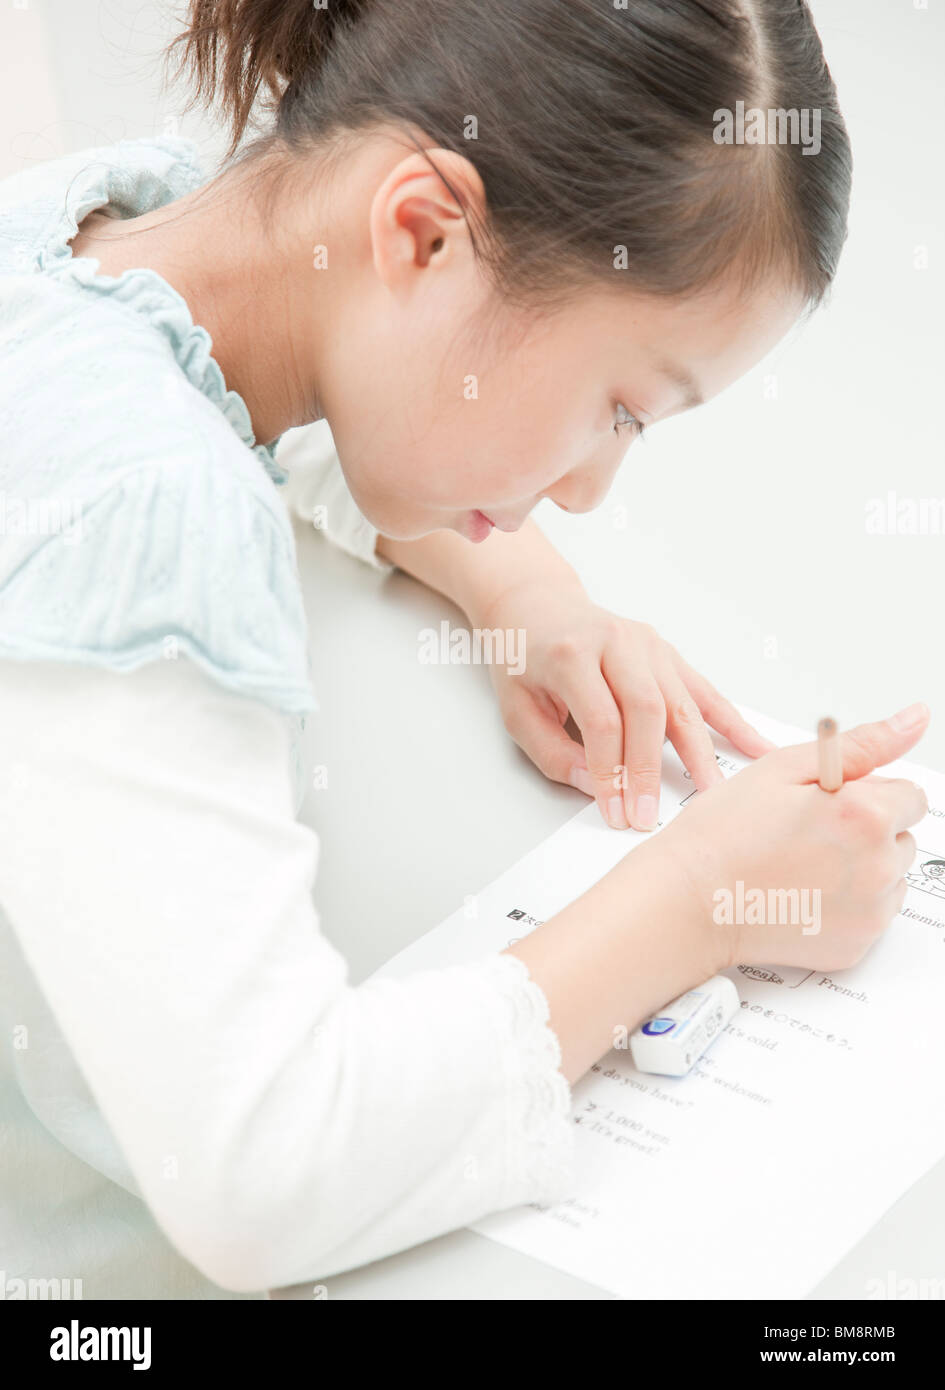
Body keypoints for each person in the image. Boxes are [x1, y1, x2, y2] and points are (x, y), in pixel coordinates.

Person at [0, 0, 929, 1298]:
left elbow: (271, 403)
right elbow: (262, 1173)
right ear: (423, 230)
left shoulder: (88, 231)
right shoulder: (143, 528)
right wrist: (708, 893)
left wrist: (525, 591)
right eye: (619, 407)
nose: (595, 490)